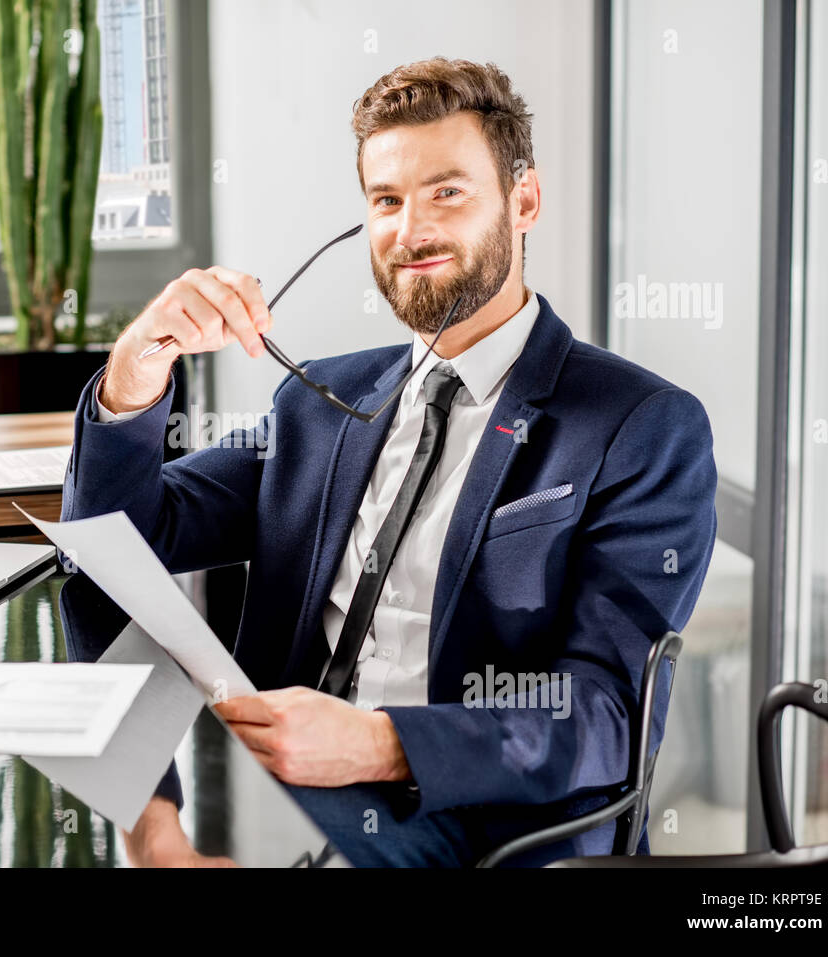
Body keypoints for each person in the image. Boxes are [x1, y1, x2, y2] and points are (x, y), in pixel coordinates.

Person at [61, 56, 717, 867]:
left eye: (447, 191)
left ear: (525, 201)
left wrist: (379, 744)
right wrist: (135, 371)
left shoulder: (641, 425)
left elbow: (606, 714)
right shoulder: (318, 400)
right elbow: (120, 540)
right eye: (387, 200)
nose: (412, 230)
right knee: (85, 614)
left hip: (475, 819)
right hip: (273, 777)